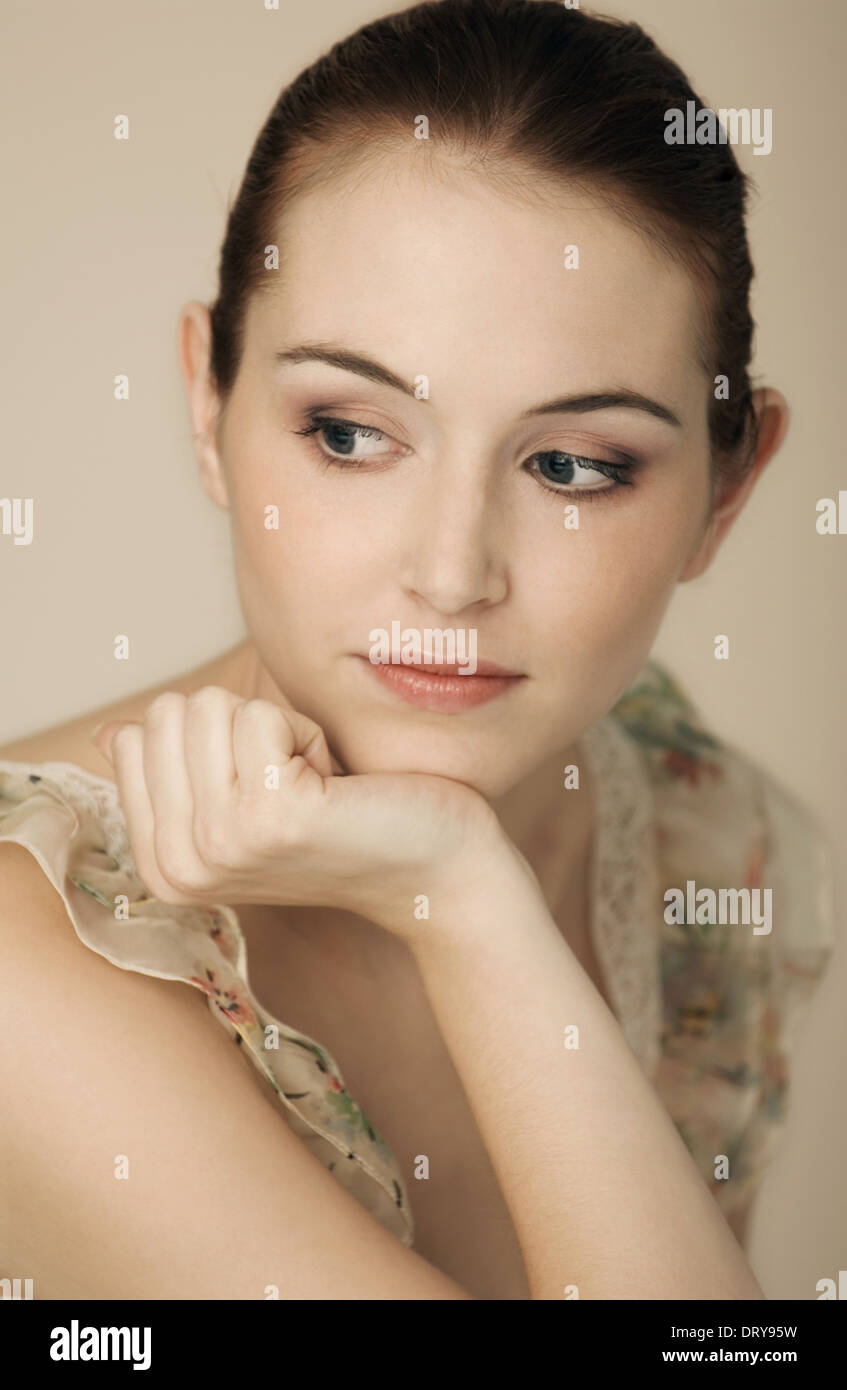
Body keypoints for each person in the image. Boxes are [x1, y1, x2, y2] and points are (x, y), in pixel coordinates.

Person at [0, 0, 834, 1300]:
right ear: (209, 410)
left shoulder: (705, 842)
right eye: (347, 432)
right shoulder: (26, 957)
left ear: (728, 489)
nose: (450, 573)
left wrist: (464, 896)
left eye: (574, 464)